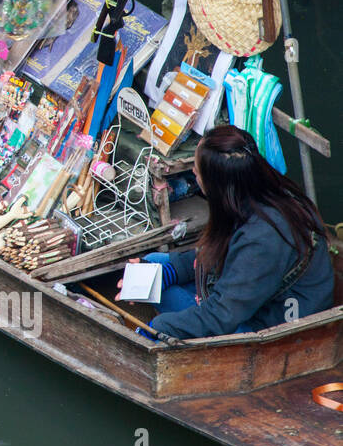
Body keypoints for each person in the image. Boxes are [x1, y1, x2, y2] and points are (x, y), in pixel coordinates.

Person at [132, 125, 334, 339]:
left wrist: (157, 328)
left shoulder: (262, 238)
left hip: (273, 328)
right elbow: (221, 251)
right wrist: (171, 270)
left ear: (216, 185)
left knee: (163, 296)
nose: (193, 173)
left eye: (197, 172)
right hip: (251, 296)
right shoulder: (252, 193)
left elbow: (221, 316)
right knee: (155, 264)